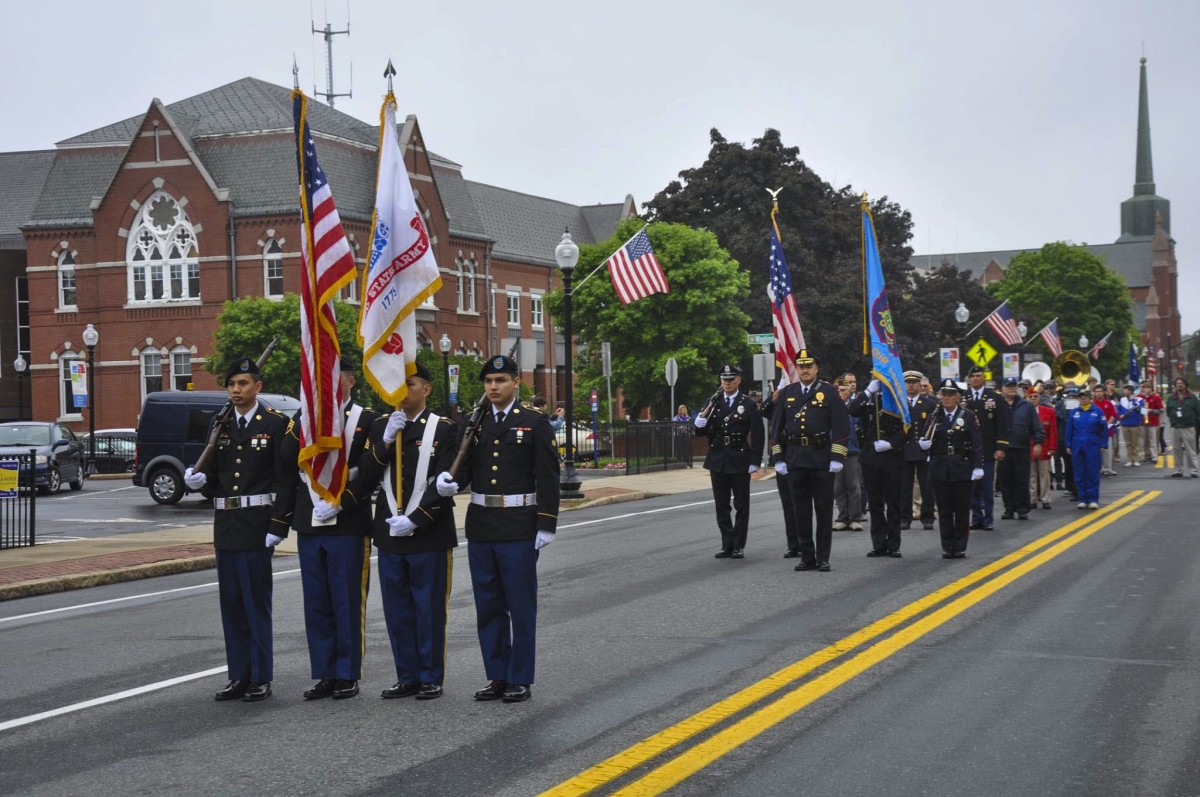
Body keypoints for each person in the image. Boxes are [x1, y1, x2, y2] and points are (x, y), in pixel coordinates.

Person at [435, 355, 559, 703]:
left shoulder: (533, 422)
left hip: (519, 526)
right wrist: (450, 482)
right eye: (489, 381)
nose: (493, 387)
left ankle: (520, 677)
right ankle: (497, 675)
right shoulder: (474, 421)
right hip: (482, 525)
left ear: (516, 383)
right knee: (488, 606)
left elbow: (548, 475)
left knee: (520, 606)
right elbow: (464, 469)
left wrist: (546, 523)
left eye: (501, 380)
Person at [344, 361, 459, 700]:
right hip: (390, 531)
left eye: (409, 384)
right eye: (397, 384)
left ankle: (430, 676)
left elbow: (445, 481)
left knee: (429, 609)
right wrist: (383, 442)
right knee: (397, 611)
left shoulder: (444, 429)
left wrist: (417, 518)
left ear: (426, 389)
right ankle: (406, 675)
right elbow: (365, 476)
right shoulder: (382, 425)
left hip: (429, 532)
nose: (402, 391)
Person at [183, 357, 295, 702]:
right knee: (231, 606)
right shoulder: (221, 423)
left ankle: (260, 676)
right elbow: (215, 477)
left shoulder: (276, 424)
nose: (236, 390)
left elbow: (286, 479)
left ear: (257, 387)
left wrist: (279, 524)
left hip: (257, 525)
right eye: (231, 384)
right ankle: (239, 675)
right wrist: (198, 481)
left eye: (243, 383)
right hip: (226, 526)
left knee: (255, 605)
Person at [296, 360, 378, 700]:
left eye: (334, 378)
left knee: (346, 601)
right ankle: (325, 672)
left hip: (347, 522)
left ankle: (347, 673)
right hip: (311, 521)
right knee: (317, 603)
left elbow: (370, 471)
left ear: (350, 381)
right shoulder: (305, 420)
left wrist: (342, 501)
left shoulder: (367, 420)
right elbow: (288, 461)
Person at [770, 350, 850, 572]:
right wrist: (778, 457)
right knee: (800, 510)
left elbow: (841, 425)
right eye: (801, 366)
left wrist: (837, 456)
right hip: (795, 459)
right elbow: (776, 427)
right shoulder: (788, 392)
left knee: (823, 510)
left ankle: (823, 557)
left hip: (821, 458)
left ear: (817, 369)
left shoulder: (829, 392)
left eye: (809, 366)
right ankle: (807, 557)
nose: (805, 370)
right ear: (797, 369)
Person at [694, 364, 764, 559]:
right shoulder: (713, 401)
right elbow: (700, 432)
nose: (727, 382)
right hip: (717, 457)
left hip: (739, 457)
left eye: (731, 379)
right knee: (721, 505)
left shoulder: (748, 403)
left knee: (741, 504)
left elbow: (758, 433)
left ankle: (738, 544)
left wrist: (755, 461)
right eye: (724, 379)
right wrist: (699, 423)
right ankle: (727, 543)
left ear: (738, 380)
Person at [923, 379, 984, 559]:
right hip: (940, 468)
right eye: (944, 394)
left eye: (950, 395)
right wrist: (923, 445)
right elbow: (926, 438)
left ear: (957, 397)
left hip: (962, 467)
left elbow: (976, 443)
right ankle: (947, 546)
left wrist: (977, 466)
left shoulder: (968, 416)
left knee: (962, 509)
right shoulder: (935, 416)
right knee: (944, 510)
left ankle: (960, 546)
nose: (947, 398)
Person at [847, 377, 907, 558]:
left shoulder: (898, 399)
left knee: (893, 502)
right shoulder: (868, 397)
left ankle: (894, 544)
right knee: (875, 503)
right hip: (871, 456)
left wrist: (892, 444)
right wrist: (867, 391)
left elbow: (907, 428)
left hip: (892, 457)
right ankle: (879, 544)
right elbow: (852, 410)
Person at [963, 366, 1009, 530]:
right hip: (969, 449)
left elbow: (1002, 424)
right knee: (972, 486)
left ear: (984, 378)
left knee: (987, 486)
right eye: (973, 376)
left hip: (988, 449)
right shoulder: (964, 397)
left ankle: (988, 518)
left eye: (979, 376)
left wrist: (1001, 446)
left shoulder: (994, 397)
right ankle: (976, 517)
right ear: (969, 379)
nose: (976, 378)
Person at [997, 377, 1044, 520]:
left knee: (1022, 480)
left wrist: (1038, 443)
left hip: (1021, 448)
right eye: (1008, 386)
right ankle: (1009, 508)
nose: (1012, 389)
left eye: (1014, 386)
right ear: (1002, 389)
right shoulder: (998, 405)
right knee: (1005, 481)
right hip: (1003, 449)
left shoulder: (1027, 405)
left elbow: (1036, 425)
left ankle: (1022, 509)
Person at [761, 389, 801, 557]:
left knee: (801, 503)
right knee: (788, 504)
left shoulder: (806, 395)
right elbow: (764, 410)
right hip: (783, 455)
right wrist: (777, 392)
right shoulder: (781, 399)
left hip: (802, 456)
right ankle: (793, 544)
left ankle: (804, 542)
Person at [900, 370, 937, 531]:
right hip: (904, 450)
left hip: (923, 451)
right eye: (908, 383)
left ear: (919, 385)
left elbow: (935, 425)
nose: (911, 386)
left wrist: (929, 442)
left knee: (927, 486)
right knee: (905, 487)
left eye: (914, 383)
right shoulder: (899, 403)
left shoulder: (929, 404)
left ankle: (927, 517)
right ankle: (904, 518)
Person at [1065, 385, 1108, 509]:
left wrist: (1103, 444)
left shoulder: (1097, 412)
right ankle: (1083, 498)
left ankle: (1093, 499)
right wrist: (1068, 445)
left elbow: (1104, 430)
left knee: (1092, 472)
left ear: (1090, 398)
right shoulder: (1074, 412)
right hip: (1077, 445)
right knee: (1079, 472)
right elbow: (1069, 430)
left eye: (1085, 397)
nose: (1083, 399)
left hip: (1093, 445)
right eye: (1081, 397)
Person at [831, 380, 864, 533]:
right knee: (838, 487)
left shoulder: (854, 408)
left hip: (852, 450)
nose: (841, 393)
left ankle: (855, 517)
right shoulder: (831, 407)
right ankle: (843, 517)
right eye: (838, 390)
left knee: (854, 486)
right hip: (835, 451)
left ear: (850, 391)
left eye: (843, 390)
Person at [1030, 385, 1058, 510]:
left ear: (1039, 397)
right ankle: (1032, 499)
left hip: (1044, 447)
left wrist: (1052, 448)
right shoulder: (1024, 411)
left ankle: (1046, 499)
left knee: (1044, 475)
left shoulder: (1048, 411)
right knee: (1031, 475)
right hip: (1029, 448)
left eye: (1035, 396)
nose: (1033, 398)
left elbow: (1053, 431)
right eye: (1030, 396)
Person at [1165, 377, 1199, 478]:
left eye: (1181, 383)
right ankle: (1178, 470)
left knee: (1190, 450)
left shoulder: (1192, 398)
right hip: (1175, 427)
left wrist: (1191, 421)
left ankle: (1194, 470)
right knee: (1176, 450)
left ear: (1185, 385)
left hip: (1188, 427)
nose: (1179, 385)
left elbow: (1198, 411)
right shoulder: (1171, 398)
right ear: (1175, 386)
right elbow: (1168, 411)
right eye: (1177, 383)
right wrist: (1173, 419)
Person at [1091, 385, 1119, 476]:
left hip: (1107, 431)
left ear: (1103, 392)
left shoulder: (1108, 403)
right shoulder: (1092, 404)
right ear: (1094, 393)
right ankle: (1099, 469)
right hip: (1095, 432)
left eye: (1100, 391)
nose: (1098, 393)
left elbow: (1112, 415)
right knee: (1096, 451)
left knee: (1107, 451)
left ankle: (1108, 468)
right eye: (1097, 392)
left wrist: (1106, 425)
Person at [1117, 384, 1145, 467]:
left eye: (1125, 390)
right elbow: (1118, 410)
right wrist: (1120, 415)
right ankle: (1130, 459)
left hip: (1135, 425)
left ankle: (1136, 459)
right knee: (1128, 443)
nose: (1123, 392)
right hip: (1125, 424)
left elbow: (1142, 410)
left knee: (1135, 443)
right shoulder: (1122, 400)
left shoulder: (1139, 399)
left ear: (1130, 391)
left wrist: (1134, 401)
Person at [1139, 381, 1164, 462]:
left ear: (1151, 389)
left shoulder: (1156, 397)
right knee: (1141, 440)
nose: (1146, 390)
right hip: (1142, 421)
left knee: (1153, 440)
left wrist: (1152, 410)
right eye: (1145, 388)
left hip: (1153, 422)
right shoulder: (1139, 397)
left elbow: (1161, 410)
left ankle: (1154, 456)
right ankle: (1142, 455)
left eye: (1148, 388)